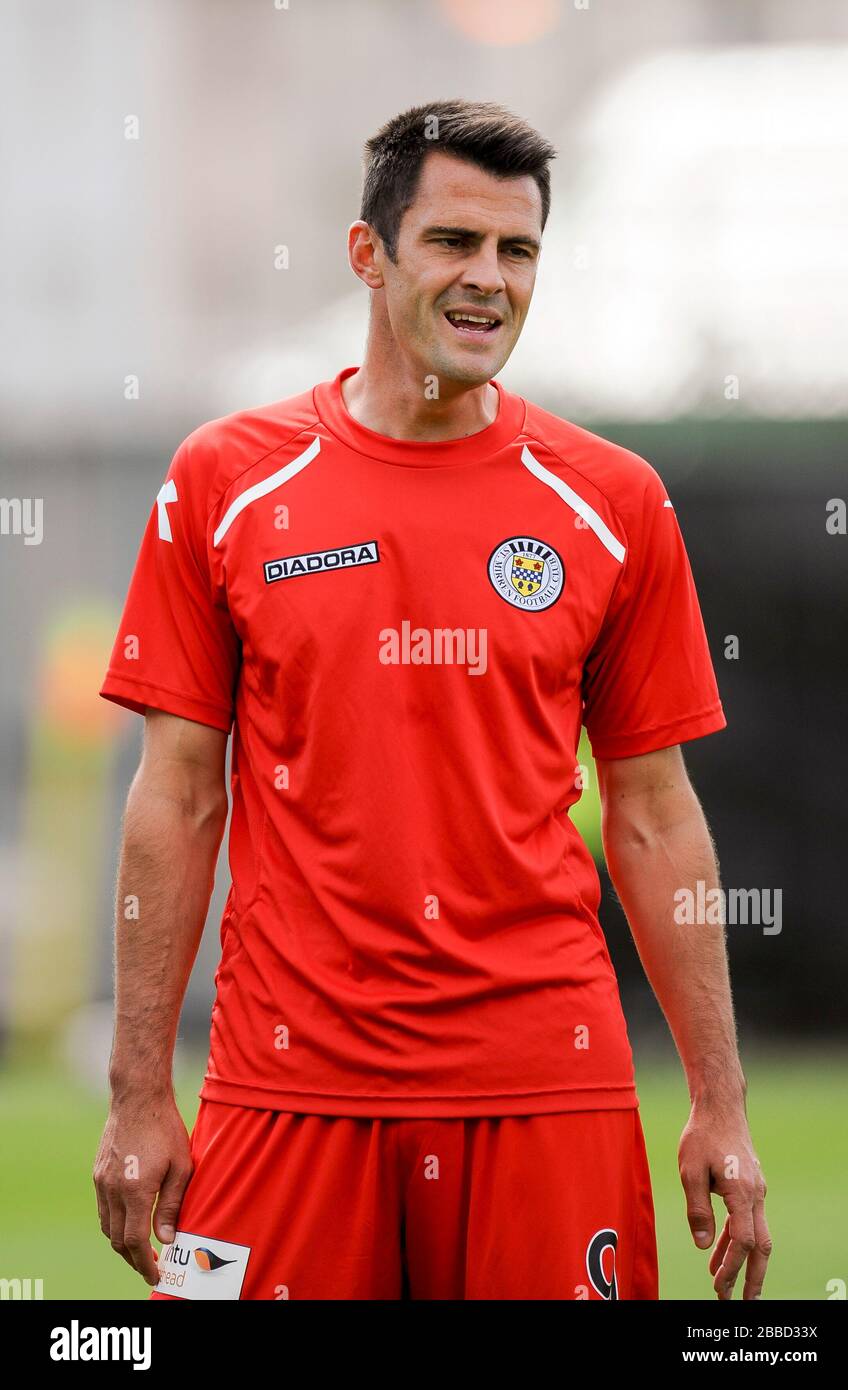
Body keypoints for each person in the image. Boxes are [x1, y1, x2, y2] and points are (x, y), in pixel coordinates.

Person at [93, 99, 770, 1301]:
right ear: (370, 255)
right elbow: (181, 797)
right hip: (284, 1084)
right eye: (454, 242)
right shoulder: (224, 483)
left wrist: (722, 1101)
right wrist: (140, 1091)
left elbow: (657, 815)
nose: (488, 281)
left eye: (517, 252)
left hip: (545, 1083)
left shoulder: (613, 499)